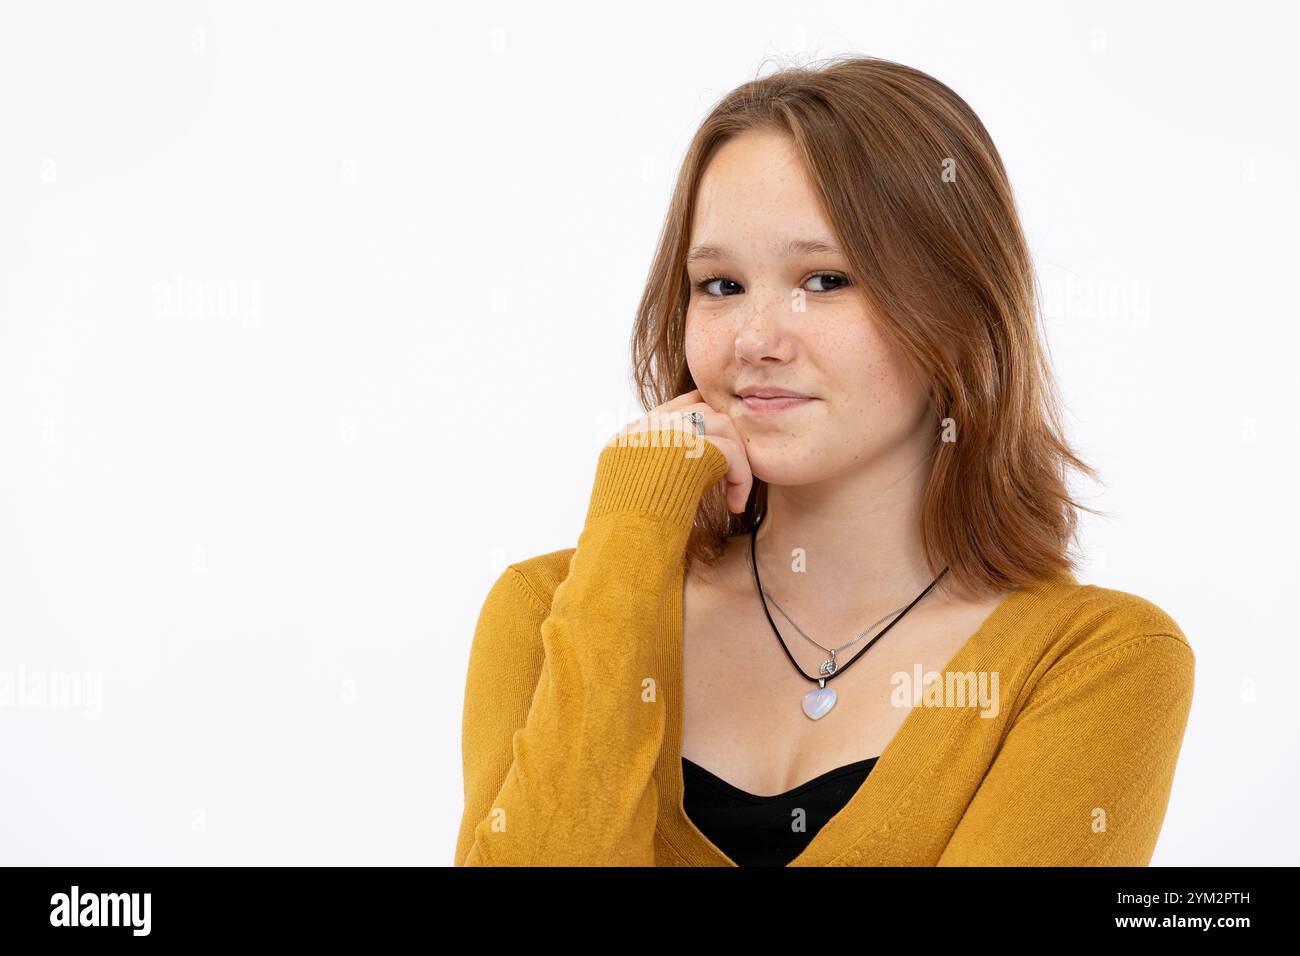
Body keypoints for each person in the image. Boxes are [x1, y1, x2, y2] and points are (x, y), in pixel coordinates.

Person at [454, 54, 1194, 867]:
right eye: (720, 285)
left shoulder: (1098, 661)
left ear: (959, 308)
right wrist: (634, 525)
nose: (756, 341)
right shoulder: (549, 609)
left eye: (825, 279)